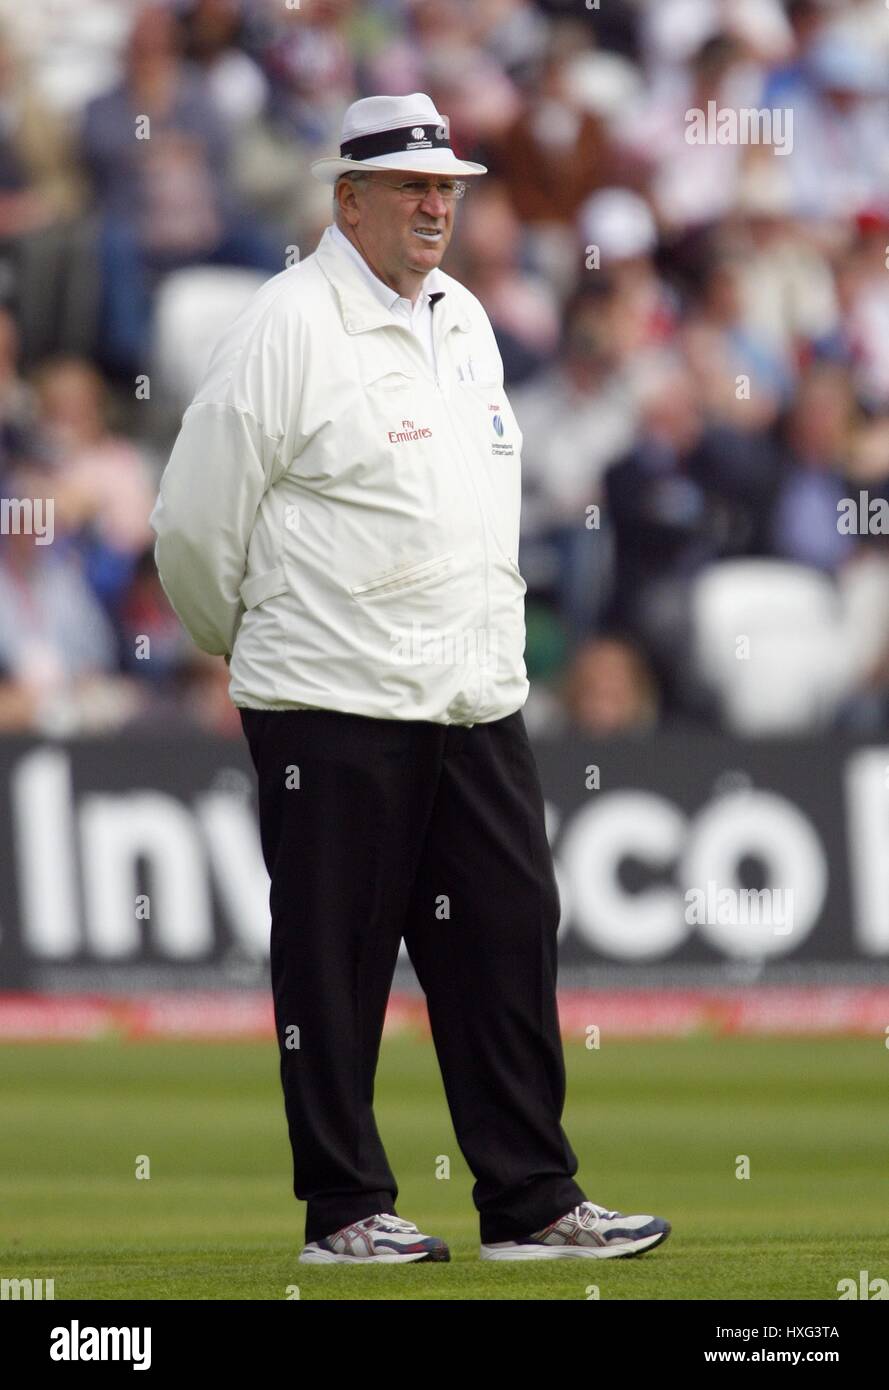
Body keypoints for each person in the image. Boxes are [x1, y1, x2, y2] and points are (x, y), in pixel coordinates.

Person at [150, 92, 671, 1265]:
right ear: (349, 200)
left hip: (472, 695)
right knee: (335, 958)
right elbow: (191, 524)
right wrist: (255, 641)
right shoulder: (284, 324)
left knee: (506, 932)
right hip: (330, 696)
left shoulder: (466, 317)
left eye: (448, 186)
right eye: (411, 187)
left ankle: (531, 1203)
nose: (437, 204)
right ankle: (343, 1212)